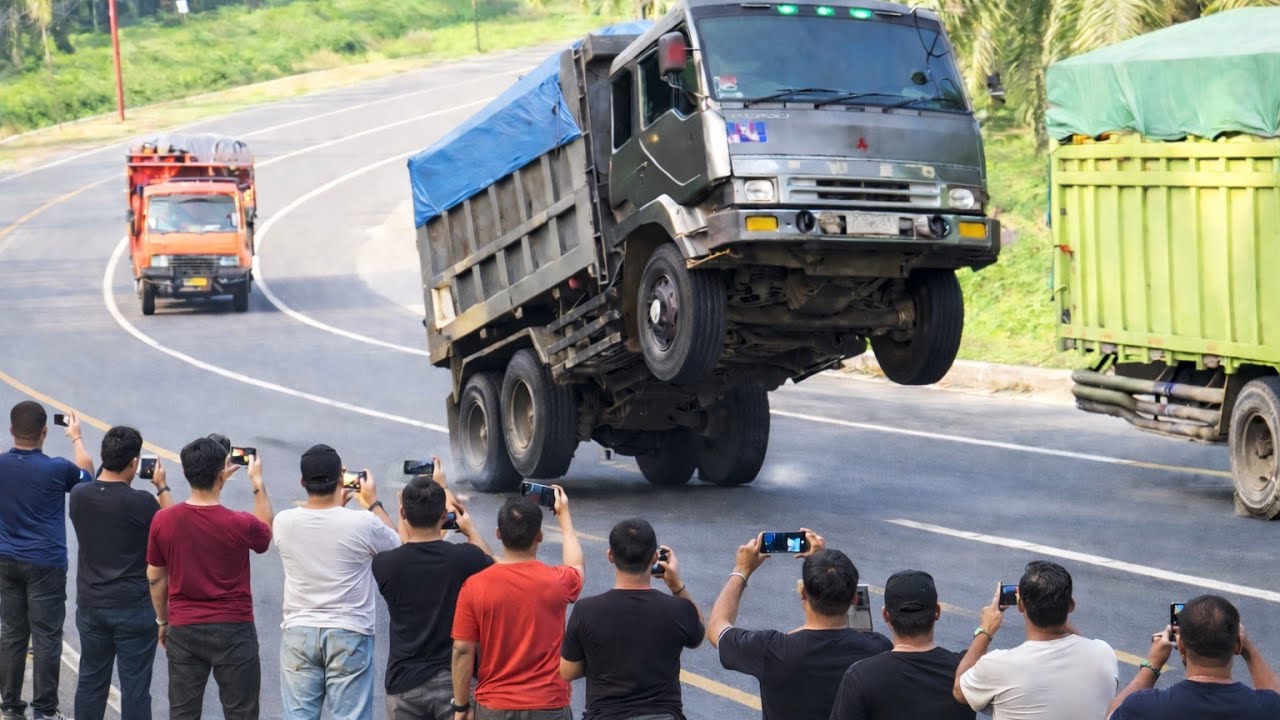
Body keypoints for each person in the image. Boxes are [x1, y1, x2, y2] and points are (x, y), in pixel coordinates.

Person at [147, 436, 274, 720]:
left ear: (184, 472)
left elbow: (155, 578)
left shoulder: (164, 520)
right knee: (241, 711)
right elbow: (266, 532)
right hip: (234, 629)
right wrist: (257, 483)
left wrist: (162, 620)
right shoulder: (240, 523)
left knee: (183, 712)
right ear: (222, 474)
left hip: (184, 627)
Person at [274, 444, 402, 720]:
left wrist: (336, 507)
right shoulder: (363, 523)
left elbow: (323, 524)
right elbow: (397, 546)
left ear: (302, 482)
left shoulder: (283, 522)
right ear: (341, 479)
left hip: (299, 632)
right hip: (349, 632)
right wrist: (374, 502)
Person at [707, 530, 891, 720]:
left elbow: (716, 627)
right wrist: (827, 569)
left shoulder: (773, 650)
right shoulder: (878, 649)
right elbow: (857, 633)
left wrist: (742, 569)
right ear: (854, 598)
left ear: (803, 593)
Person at [69, 426, 175, 720]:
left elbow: (92, 475)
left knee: (91, 682)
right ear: (134, 463)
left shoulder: (79, 495)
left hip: (91, 604)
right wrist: (162, 487)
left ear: (104, 455)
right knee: (136, 689)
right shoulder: (141, 503)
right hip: (133, 607)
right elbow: (175, 528)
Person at [451, 488, 584, 720]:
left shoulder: (474, 586)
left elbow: (462, 650)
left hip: (495, 707)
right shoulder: (558, 581)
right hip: (549, 705)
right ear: (539, 536)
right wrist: (564, 517)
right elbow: (577, 567)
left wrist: (462, 708)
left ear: (498, 534)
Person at [374, 464, 494, 720]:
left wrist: (388, 509)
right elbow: (490, 563)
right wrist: (470, 530)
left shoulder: (385, 565)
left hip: (404, 685)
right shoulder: (465, 559)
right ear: (444, 515)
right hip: (455, 682)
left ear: (404, 514)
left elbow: (405, 550)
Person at [0, 402, 94, 720]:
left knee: (12, 632)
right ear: (44, 431)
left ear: (12, 430)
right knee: (46, 636)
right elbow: (88, 477)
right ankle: (44, 711)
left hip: (5, 559)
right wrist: (76, 438)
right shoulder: (58, 468)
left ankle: (10, 706)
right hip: (46, 564)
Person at [560, 518, 704, 720]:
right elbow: (698, 634)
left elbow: (567, 671)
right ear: (655, 558)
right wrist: (676, 585)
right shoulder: (679, 609)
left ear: (610, 556)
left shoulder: (586, 610)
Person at [953, 560, 1118, 720]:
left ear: (1020, 606)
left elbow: (959, 691)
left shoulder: (998, 666)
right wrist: (1057, 611)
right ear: (1071, 605)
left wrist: (985, 630)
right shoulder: (1104, 654)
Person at [828, 570, 974, 720]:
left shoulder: (860, 677)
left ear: (885, 615)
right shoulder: (967, 674)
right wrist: (985, 632)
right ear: (937, 611)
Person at [1107, 595, 1280, 719]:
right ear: (1237, 645)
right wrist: (1249, 650)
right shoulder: (1267, 708)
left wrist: (1152, 665)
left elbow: (1110, 716)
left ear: (1180, 645)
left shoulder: (1144, 707)